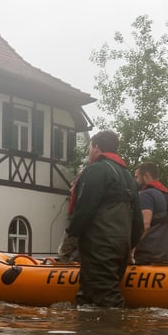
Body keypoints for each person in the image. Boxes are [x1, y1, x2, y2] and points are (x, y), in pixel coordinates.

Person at [66, 130, 143, 307]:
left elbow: (84, 209)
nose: (88, 152)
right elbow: (138, 222)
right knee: (88, 297)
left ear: (96, 148)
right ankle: (87, 333)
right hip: (121, 246)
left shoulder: (95, 170)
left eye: (89, 148)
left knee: (106, 298)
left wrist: (70, 239)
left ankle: (113, 333)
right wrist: (128, 244)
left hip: (99, 245)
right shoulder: (129, 177)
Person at [132, 162, 168, 264]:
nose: (135, 181)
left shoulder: (145, 195)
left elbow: (145, 225)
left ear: (146, 176)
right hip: (166, 259)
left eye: (136, 177)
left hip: (146, 258)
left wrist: (131, 250)